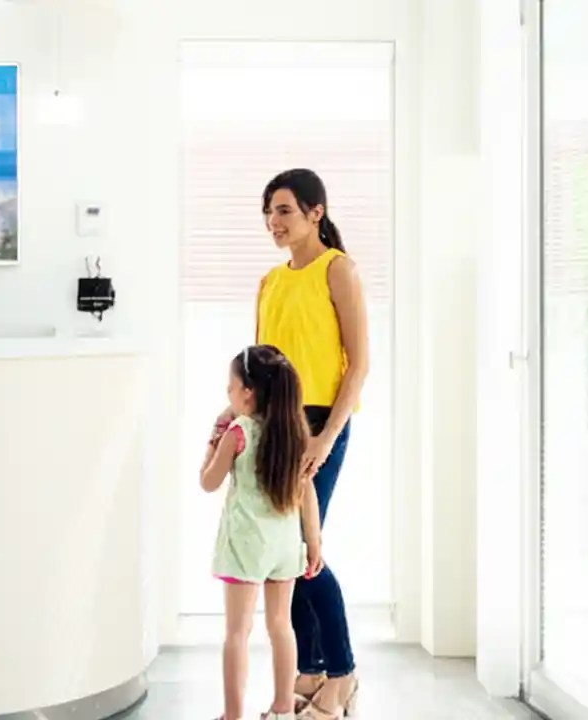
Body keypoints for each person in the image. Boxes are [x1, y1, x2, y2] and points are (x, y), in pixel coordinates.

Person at [248, 168, 368, 718]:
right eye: (269, 212)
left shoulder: (336, 270)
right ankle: (313, 667)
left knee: (301, 549)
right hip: (275, 426)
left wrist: (326, 436)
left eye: (285, 211)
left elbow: (358, 365)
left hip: (320, 423)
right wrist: (234, 418)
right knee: (283, 551)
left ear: (315, 212)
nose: (274, 222)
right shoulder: (270, 283)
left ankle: (341, 673)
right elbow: (260, 367)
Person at [202, 345, 323, 720]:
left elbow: (208, 482)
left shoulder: (238, 433)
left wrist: (214, 434)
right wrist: (314, 543)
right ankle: (283, 708)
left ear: (248, 393)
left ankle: (233, 715)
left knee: (238, 632)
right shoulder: (296, 433)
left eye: (231, 386)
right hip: (286, 546)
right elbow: (308, 493)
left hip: (246, 546)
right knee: (280, 625)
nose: (228, 393)